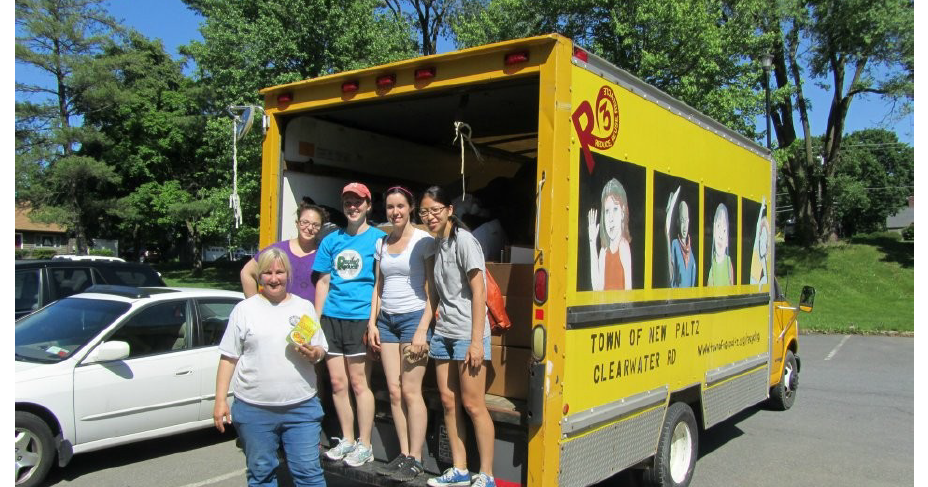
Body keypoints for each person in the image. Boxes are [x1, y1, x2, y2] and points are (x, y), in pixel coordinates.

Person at [213, 248, 329, 487]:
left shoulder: (304, 307)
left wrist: (314, 353)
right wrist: (220, 400)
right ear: (259, 276)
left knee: (309, 474)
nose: (274, 278)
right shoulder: (245, 309)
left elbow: (320, 349)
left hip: (302, 408)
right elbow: (228, 357)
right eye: (267, 273)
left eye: (279, 272)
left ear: (288, 274)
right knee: (261, 475)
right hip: (254, 410)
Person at [418, 186, 496, 487]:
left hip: (467, 333)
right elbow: (433, 296)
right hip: (443, 334)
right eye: (424, 212)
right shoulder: (432, 246)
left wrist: (477, 342)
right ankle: (460, 469)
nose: (430, 217)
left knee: (473, 405)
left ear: (449, 210)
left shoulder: (465, 241)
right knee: (448, 403)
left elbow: (479, 292)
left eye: (435, 210)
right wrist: (422, 331)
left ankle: (486, 474)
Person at [313, 182, 386, 467]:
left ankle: (365, 444)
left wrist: (372, 322)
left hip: (359, 318)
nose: (353, 207)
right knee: (337, 382)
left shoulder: (379, 240)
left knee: (358, 382)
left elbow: (380, 284)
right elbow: (323, 282)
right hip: (331, 318)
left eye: (358, 202)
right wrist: (316, 321)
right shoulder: (331, 240)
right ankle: (347, 438)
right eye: (348, 203)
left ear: (368, 206)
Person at [367, 186, 435, 482]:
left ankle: (416, 459)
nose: (395, 212)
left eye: (400, 206)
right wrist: (372, 323)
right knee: (394, 391)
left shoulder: (423, 241)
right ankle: (405, 454)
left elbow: (433, 290)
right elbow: (378, 286)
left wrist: (422, 328)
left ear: (411, 208)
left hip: (413, 319)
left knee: (410, 391)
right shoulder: (381, 243)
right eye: (390, 207)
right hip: (387, 321)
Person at [241, 202, 327, 302]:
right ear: (297, 223)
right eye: (305, 222)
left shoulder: (325, 253)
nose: (310, 228)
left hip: (310, 311)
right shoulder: (278, 250)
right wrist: (254, 305)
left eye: (315, 225)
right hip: (277, 310)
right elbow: (246, 272)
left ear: (321, 228)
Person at [587, 178, 632, 291]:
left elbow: (628, 288)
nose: (610, 218)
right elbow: (597, 288)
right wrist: (592, 242)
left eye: (615, 209)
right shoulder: (603, 252)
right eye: (607, 211)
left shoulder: (623, 246)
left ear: (622, 212)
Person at [665, 187, 696, 288]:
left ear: (689, 222)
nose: (685, 226)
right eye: (682, 220)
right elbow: (671, 275)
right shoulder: (675, 245)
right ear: (678, 222)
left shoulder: (691, 254)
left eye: (686, 220)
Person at [707, 203, 734, 286]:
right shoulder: (711, 264)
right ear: (714, 231)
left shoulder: (728, 264)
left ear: (727, 241)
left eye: (724, 230)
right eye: (718, 226)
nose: (721, 236)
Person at [750, 197, 769, 286]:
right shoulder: (756, 250)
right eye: (761, 238)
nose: (763, 244)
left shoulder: (764, 261)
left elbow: (766, 277)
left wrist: (761, 285)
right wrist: (761, 208)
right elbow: (758, 227)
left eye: (765, 240)